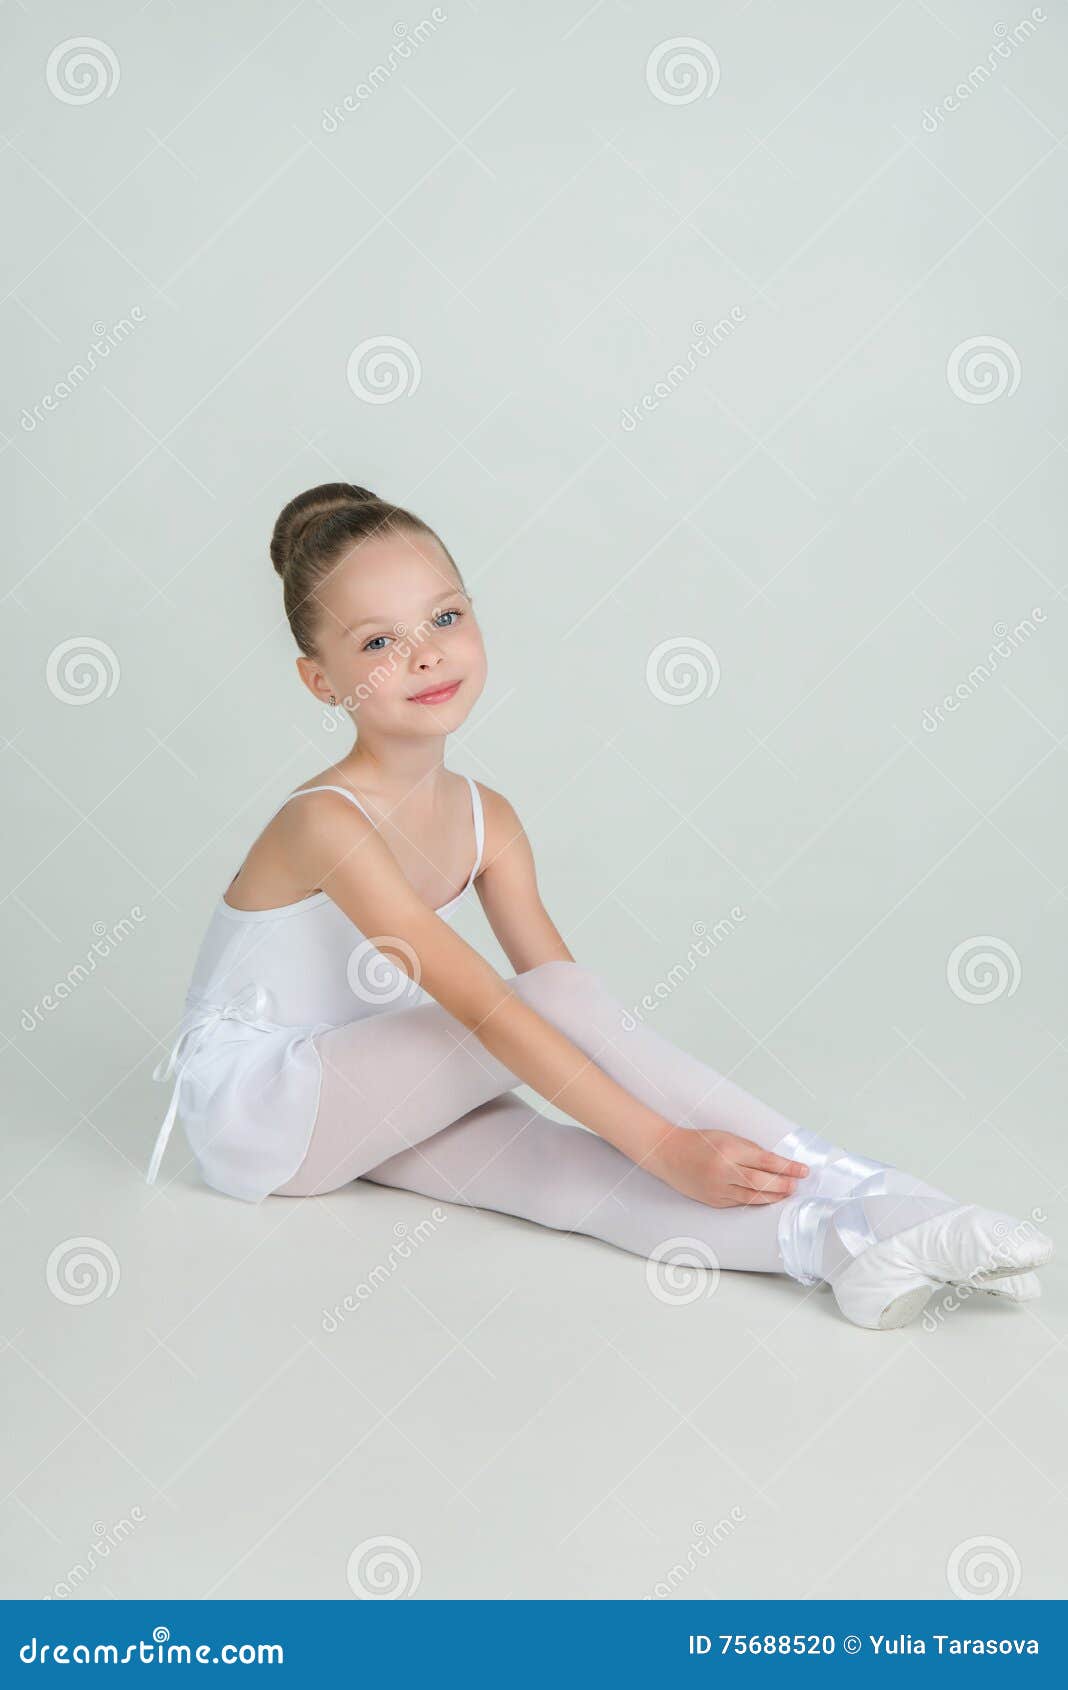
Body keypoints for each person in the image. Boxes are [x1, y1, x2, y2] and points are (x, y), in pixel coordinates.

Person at [146, 483, 1053, 1330]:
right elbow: (499, 1006)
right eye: (378, 643)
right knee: (561, 1028)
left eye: (446, 617)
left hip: (366, 1082)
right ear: (321, 681)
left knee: (555, 1171)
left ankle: (845, 1245)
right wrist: (665, 1145)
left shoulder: (486, 818)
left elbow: (580, 1009)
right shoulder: (323, 823)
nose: (425, 652)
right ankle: (879, 1186)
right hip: (268, 1105)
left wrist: (652, 1141)